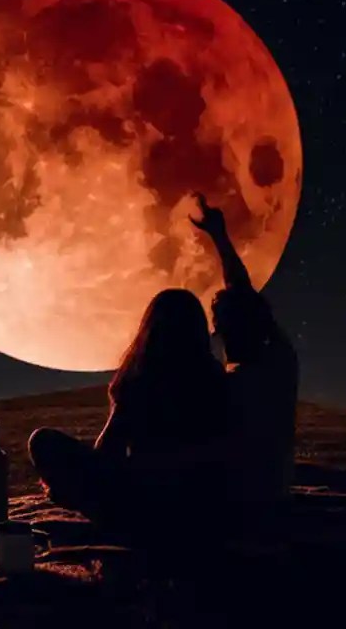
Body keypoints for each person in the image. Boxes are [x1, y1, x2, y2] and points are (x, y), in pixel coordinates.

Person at [28, 287, 228, 530]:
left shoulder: (141, 380)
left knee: (43, 441)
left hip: (140, 506)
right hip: (202, 511)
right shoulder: (215, 377)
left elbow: (108, 452)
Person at [190, 192, 300, 505]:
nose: (218, 333)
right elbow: (242, 292)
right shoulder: (281, 362)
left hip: (237, 502)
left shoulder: (235, 382)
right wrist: (220, 237)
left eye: (220, 325)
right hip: (267, 493)